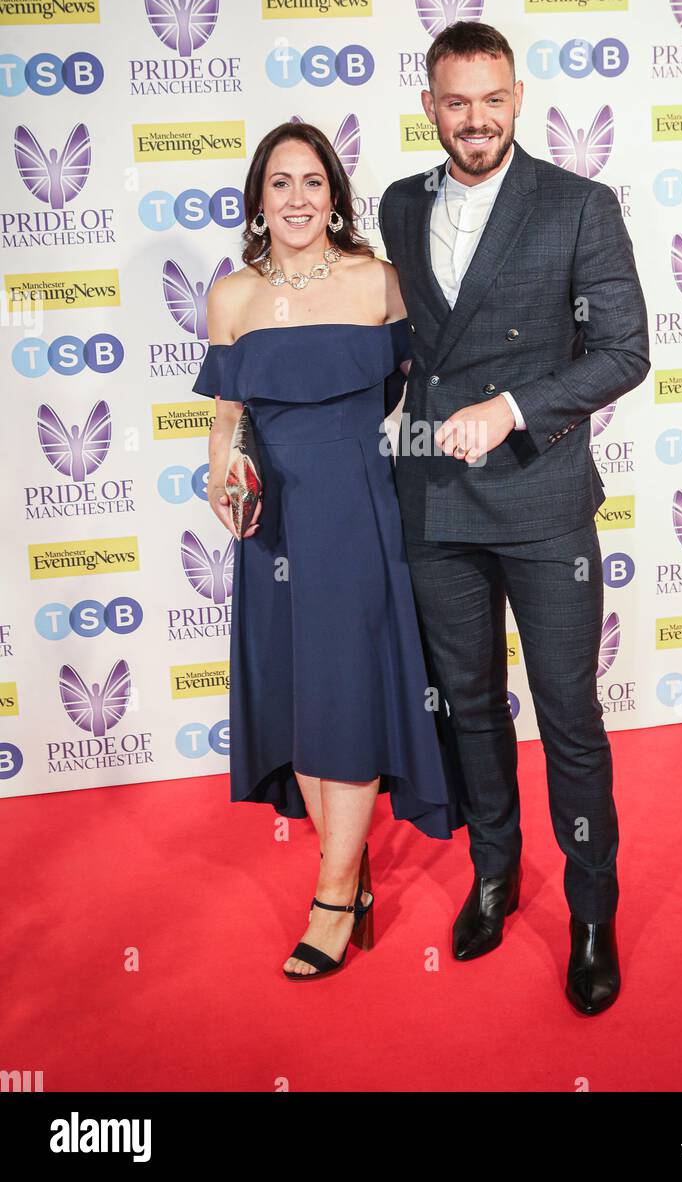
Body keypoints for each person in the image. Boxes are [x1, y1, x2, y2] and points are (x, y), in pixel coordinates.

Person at [377, 22, 650, 1015]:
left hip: (538, 496)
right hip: (436, 501)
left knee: (568, 715)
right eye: (456, 100)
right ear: (430, 106)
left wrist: (510, 408)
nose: (476, 117)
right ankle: (494, 874)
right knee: (468, 704)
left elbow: (622, 350)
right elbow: (412, 342)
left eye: (491, 98)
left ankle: (589, 911)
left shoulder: (577, 205)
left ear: (518, 97)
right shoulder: (399, 205)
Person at [192, 120, 455, 982]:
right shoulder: (231, 298)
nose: (298, 198)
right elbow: (227, 424)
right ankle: (347, 872)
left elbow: (416, 391)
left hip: (358, 511)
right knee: (301, 704)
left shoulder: (378, 283)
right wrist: (222, 477)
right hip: (273, 523)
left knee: (343, 698)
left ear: (336, 196)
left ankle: (333, 898)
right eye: (280, 183)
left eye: (313, 182)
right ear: (258, 201)